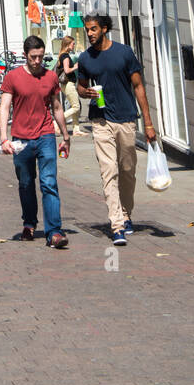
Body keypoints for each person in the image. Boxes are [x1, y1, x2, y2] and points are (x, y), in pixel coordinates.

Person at [77, 14, 156, 246]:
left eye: (93, 29)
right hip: (100, 121)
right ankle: (117, 225)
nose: (89, 33)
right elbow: (81, 87)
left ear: (104, 29)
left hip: (126, 118)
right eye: (87, 30)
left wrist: (149, 124)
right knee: (108, 170)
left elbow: (139, 86)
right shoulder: (85, 58)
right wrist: (86, 93)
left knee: (128, 169)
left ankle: (126, 212)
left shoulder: (124, 53)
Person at [0, 35, 70, 249]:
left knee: (49, 183)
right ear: (25, 56)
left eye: (40, 57)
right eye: (33, 57)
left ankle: (54, 232)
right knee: (26, 183)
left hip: (46, 135)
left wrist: (65, 136)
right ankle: (29, 223)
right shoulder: (12, 77)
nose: (37, 61)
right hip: (21, 139)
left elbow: (57, 107)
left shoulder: (50, 78)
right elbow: (4, 108)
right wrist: (4, 138)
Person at [56, 35, 83, 137]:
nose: (74, 45)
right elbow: (67, 70)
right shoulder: (65, 56)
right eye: (73, 43)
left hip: (66, 85)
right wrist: (75, 66)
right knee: (76, 107)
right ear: (67, 44)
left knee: (75, 106)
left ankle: (76, 129)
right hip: (68, 84)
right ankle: (56, 123)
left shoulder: (62, 55)